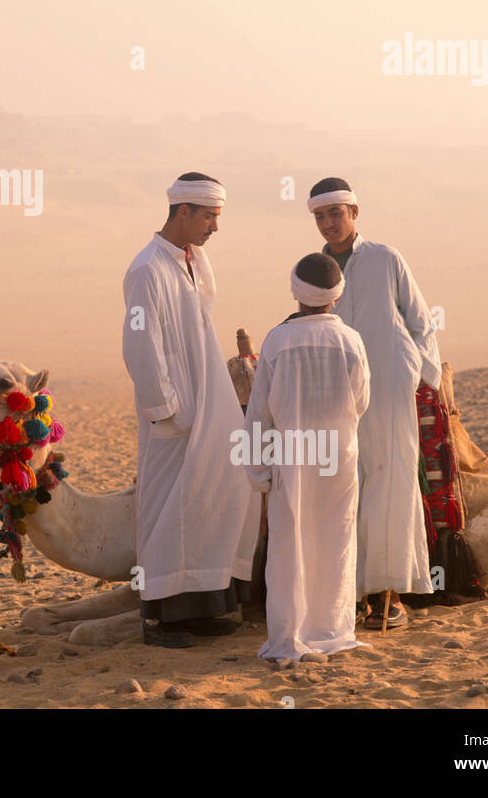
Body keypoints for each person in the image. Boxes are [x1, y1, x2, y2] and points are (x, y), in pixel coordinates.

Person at [121, 172, 261, 647]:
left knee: (214, 495)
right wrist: (165, 408)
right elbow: (141, 343)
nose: (215, 228)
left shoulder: (194, 260)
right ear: (183, 212)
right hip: (174, 410)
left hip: (210, 401)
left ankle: (202, 606)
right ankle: (160, 618)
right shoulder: (146, 270)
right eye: (210, 217)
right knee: (166, 508)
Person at [307, 176, 440, 628]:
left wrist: (418, 375)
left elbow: (421, 321)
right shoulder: (315, 271)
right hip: (338, 397)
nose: (328, 223)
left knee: (391, 485)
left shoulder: (386, 258)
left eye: (335, 214)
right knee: (347, 486)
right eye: (320, 216)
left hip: (388, 391)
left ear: (354, 213)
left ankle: (390, 595)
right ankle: (353, 595)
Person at [242, 253, 370, 662]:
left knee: (290, 544)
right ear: (337, 295)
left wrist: (258, 473)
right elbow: (361, 402)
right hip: (339, 457)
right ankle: (331, 631)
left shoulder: (277, 341)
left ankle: (290, 635)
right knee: (335, 540)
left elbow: (259, 413)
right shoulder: (351, 340)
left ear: (296, 292)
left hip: (294, 459)